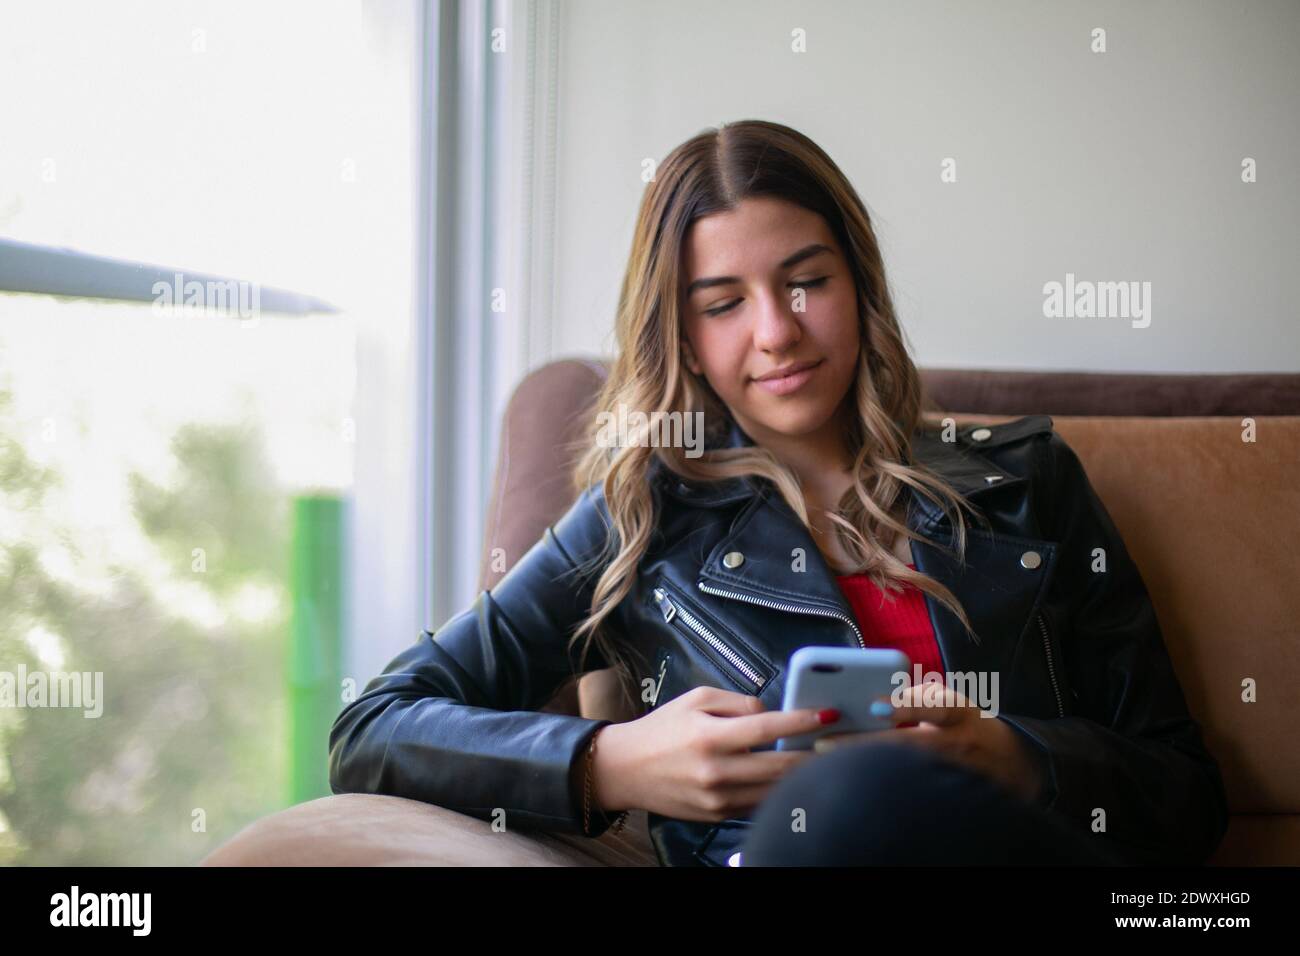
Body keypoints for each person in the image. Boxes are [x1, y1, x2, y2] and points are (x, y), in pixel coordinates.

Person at [329, 119, 1229, 867]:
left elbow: (1186, 795)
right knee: (841, 799)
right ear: (679, 334)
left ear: (860, 284)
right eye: (723, 304)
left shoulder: (1030, 483)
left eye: (806, 283)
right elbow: (372, 728)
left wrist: (1007, 753)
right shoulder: (642, 519)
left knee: (869, 788)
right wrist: (612, 763)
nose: (777, 333)